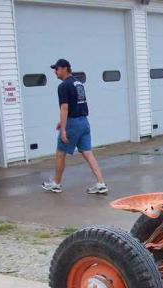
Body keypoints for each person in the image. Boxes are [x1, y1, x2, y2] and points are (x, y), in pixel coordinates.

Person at [42, 59, 108, 194]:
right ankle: (101, 183)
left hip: (72, 124)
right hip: (84, 122)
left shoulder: (63, 86)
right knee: (88, 153)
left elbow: (65, 108)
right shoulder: (78, 83)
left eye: (57, 69)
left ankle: (56, 184)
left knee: (60, 153)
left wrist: (64, 129)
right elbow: (76, 104)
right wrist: (62, 122)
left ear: (65, 69)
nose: (55, 72)